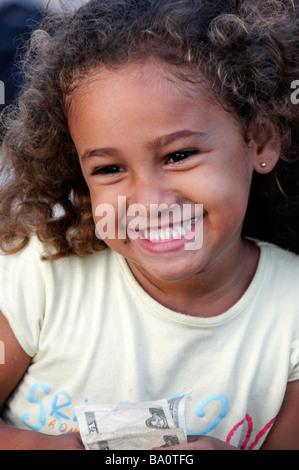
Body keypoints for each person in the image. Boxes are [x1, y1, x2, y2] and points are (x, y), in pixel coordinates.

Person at [0, 0, 298, 450]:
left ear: (260, 140)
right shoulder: (43, 271)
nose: (148, 202)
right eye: (108, 170)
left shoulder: (291, 311)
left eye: (179, 156)